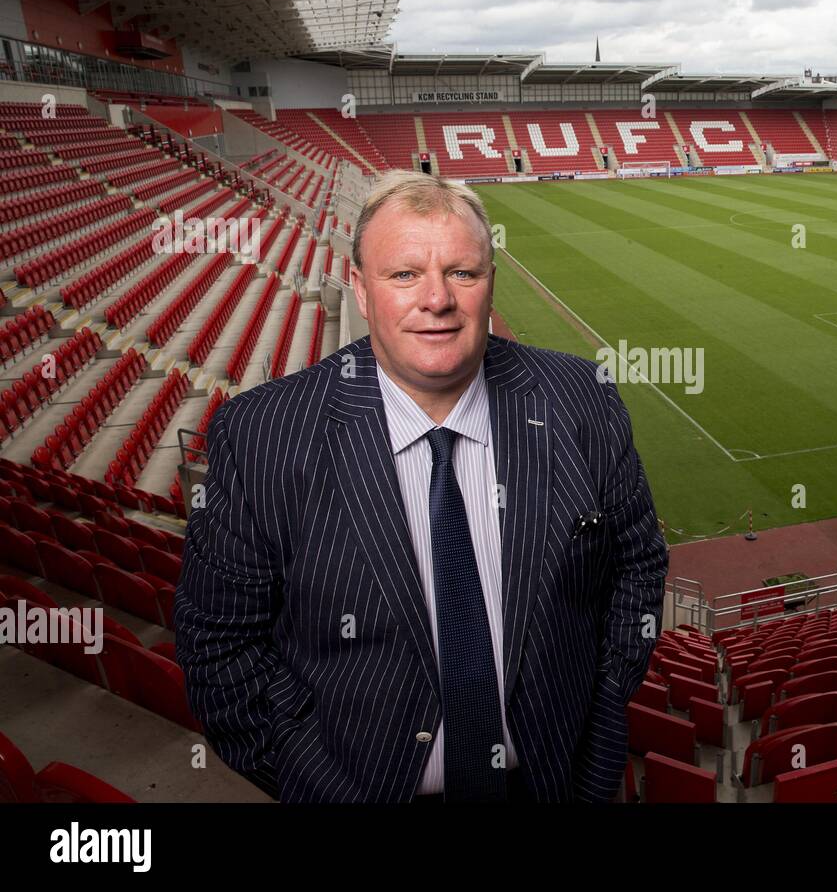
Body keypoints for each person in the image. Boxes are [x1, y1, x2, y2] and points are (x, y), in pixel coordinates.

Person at [175, 171, 668, 803]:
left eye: (463, 273)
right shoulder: (266, 433)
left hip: (555, 785)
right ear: (359, 286)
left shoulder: (580, 400)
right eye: (404, 274)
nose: (437, 299)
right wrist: (315, 781)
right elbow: (218, 646)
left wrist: (596, 727)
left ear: (491, 280)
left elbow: (637, 570)